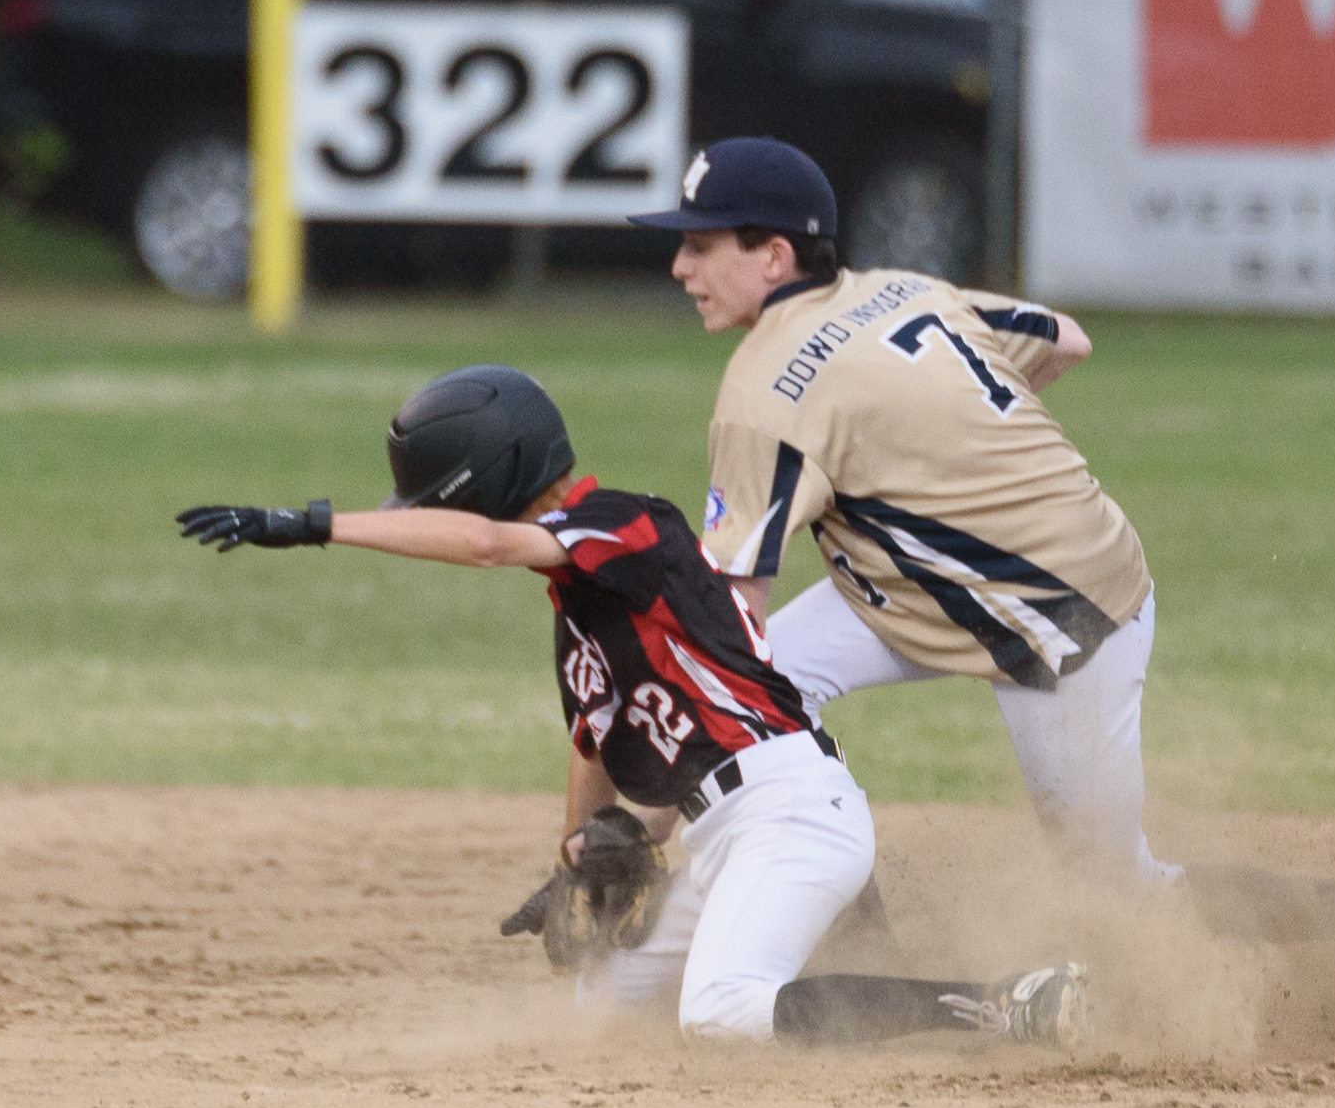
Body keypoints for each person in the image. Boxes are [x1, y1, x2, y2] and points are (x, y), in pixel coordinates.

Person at [627, 139, 1335, 1015]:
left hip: (1054, 619)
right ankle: (864, 948)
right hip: (974, 585)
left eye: (701, 245)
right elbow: (1065, 340)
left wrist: (641, 824)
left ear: (773, 254)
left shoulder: (763, 391)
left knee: (1114, 883)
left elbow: (725, 629)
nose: (679, 265)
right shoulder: (903, 289)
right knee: (776, 683)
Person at [175, 363, 1088, 1048]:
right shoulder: (581, 617)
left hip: (790, 806)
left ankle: (996, 1000)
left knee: (721, 1012)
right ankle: (846, 955)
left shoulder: (627, 523)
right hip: (727, 827)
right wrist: (578, 863)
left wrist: (314, 525)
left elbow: (492, 545)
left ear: (482, 479)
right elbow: (592, 748)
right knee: (608, 999)